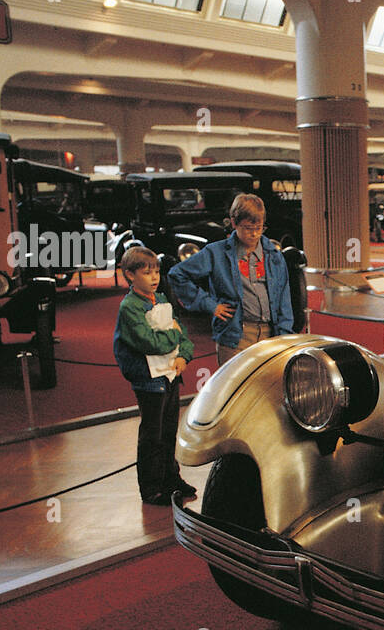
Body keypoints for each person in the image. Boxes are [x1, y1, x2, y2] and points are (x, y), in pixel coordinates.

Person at [168, 193, 295, 367]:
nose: (255, 234)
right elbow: (177, 274)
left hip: (271, 335)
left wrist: (284, 337)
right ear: (234, 223)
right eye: (248, 228)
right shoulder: (216, 252)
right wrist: (209, 304)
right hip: (236, 337)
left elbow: (284, 298)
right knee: (236, 392)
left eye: (259, 227)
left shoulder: (273, 255)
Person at [113, 247, 197, 506]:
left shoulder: (161, 299)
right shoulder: (129, 307)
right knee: (153, 433)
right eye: (146, 272)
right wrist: (171, 334)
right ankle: (151, 487)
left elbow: (182, 336)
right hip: (149, 379)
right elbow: (149, 342)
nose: (154, 277)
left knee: (169, 429)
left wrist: (183, 355)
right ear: (129, 275)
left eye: (157, 271)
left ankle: (171, 478)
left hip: (170, 375)